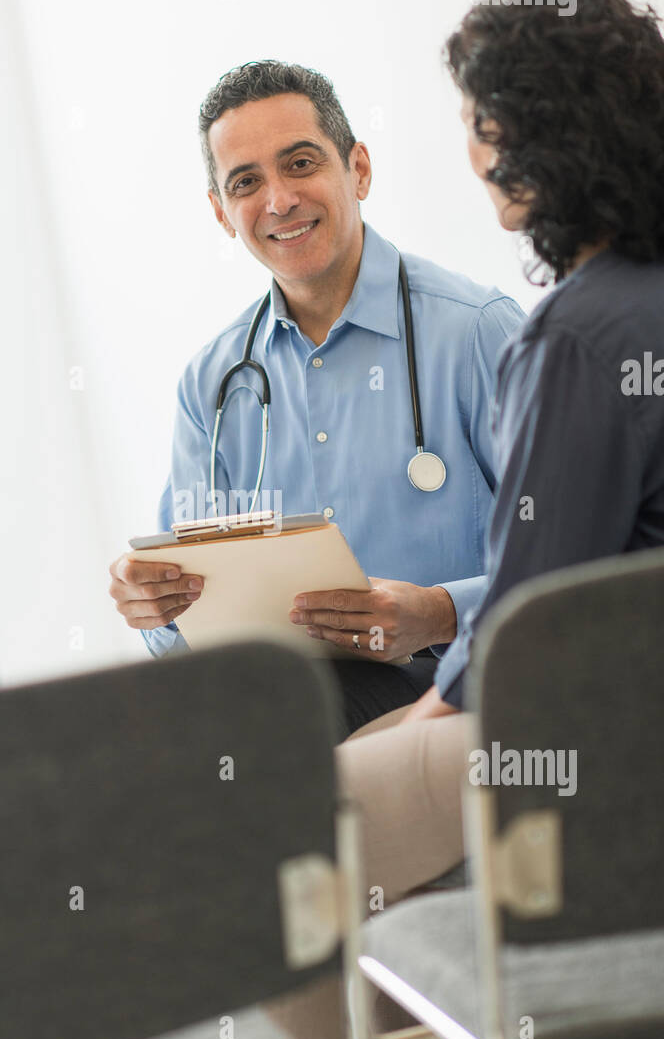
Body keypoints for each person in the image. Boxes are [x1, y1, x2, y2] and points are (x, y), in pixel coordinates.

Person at [268, 0, 664, 1039]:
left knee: (282, 837)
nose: (476, 156)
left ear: (528, 142)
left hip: (598, 758)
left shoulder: (574, 334)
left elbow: (532, 634)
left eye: (479, 128)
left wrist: (427, 701)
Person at [109, 61, 524, 737]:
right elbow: (183, 638)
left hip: (464, 688)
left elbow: (583, 562)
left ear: (357, 169)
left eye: (300, 163)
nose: (278, 200)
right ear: (221, 211)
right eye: (246, 182)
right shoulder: (211, 384)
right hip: (290, 701)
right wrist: (157, 607)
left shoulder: (478, 333)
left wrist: (441, 612)